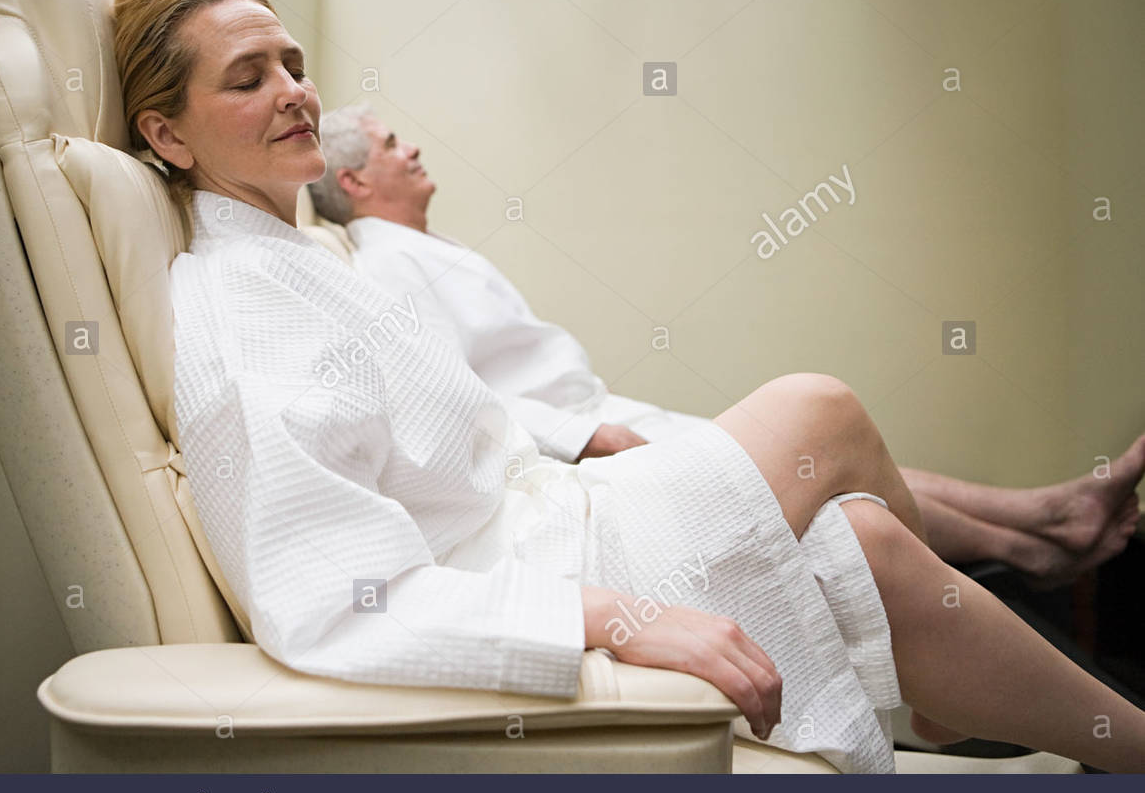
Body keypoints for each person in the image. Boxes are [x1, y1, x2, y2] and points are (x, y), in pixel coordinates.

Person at [113, 0, 1145, 773]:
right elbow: (330, 600)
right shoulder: (239, 312)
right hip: (530, 571)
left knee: (863, 538)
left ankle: (1114, 746)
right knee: (816, 410)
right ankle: (944, 692)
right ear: (166, 130)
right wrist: (618, 616)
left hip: (551, 519)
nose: (293, 93)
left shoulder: (307, 257)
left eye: (292, 63)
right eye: (247, 80)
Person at [310, 104, 1143, 591]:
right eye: (389, 145)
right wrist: (582, 437)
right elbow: (444, 389)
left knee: (841, 451)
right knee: (831, 457)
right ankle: (1032, 536)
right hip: (585, 448)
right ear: (353, 183)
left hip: (603, 419)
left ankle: (1041, 520)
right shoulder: (386, 263)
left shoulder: (424, 248)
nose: (410, 147)